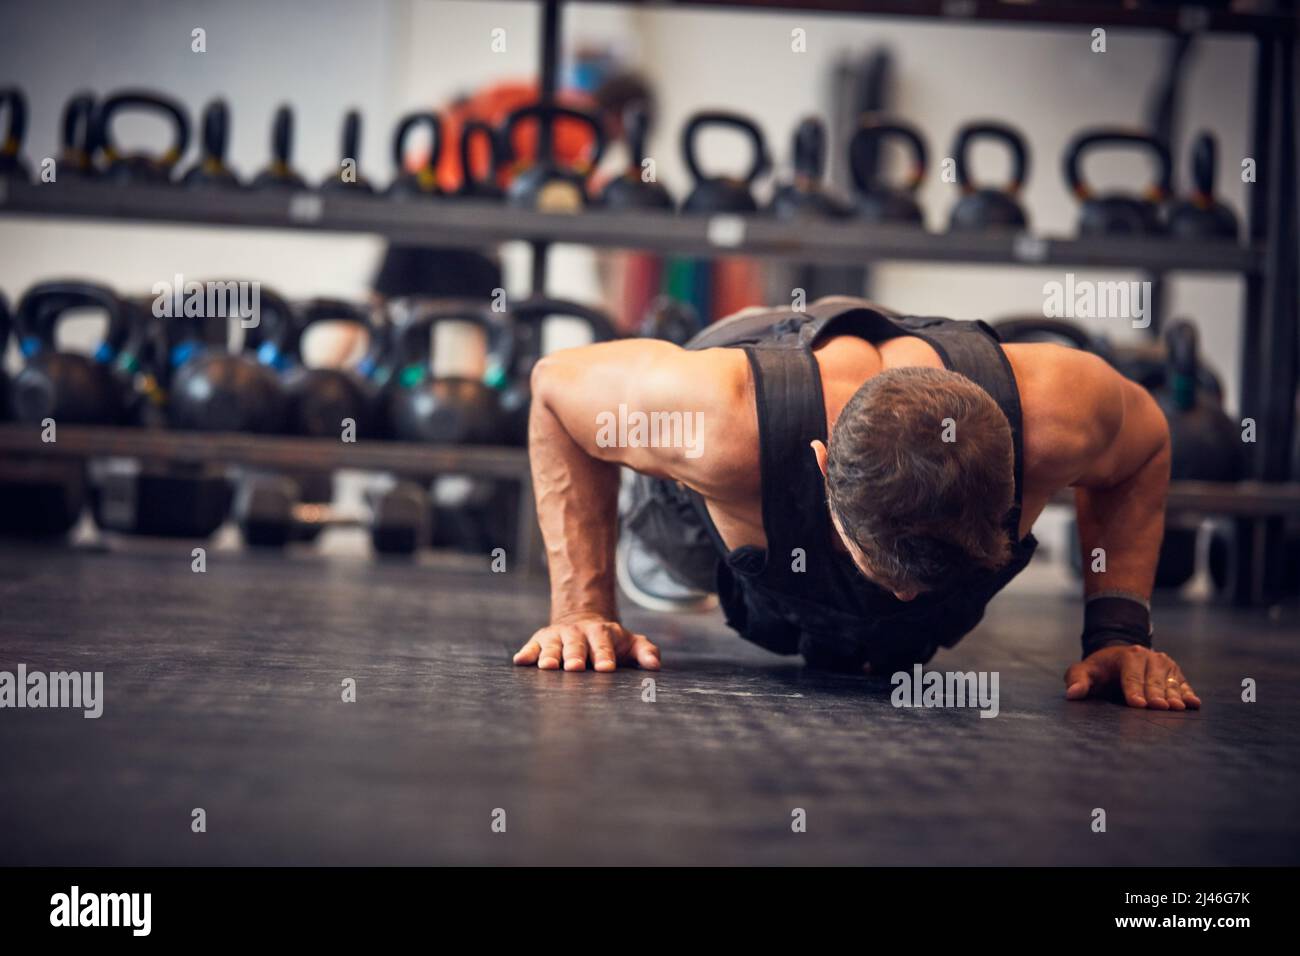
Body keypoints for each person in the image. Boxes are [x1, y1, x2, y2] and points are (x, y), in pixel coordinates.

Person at [513, 296, 1201, 712]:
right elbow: (554, 388)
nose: (906, 600)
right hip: (712, 487)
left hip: (907, 370)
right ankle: (664, 537)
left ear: (1018, 475)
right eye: (879, 566)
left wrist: (1118, 634)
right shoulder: (717, 423)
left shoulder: (1058, 414)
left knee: (885, 642)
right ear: (821, 468)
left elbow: (1144, 448)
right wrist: (582, 607)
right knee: (673, 554)